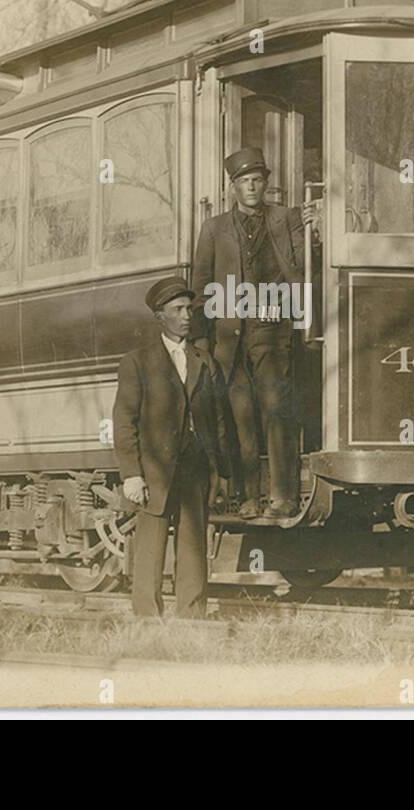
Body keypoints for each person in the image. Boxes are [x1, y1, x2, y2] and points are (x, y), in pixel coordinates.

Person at [189, 147, 316, 521]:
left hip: (273, 330)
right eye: (244, 181)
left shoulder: (286, 219)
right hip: (228, 337)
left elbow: (306, 264)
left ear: (266, 183)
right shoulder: (213, 229)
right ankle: (247, 497)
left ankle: (283, 497)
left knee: (277, 410)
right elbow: (200, 285)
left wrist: (314, 233)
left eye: (258, 180)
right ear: (232, 187)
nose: (252, 187)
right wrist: (200, 341)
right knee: (240, 416)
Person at [113, 276, 235, 618]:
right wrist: (131, 475)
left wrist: (221, 472)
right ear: (159, 317)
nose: (187, 316)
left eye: (190, 309)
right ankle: (147, 619)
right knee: (150, 548)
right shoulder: (137, 362)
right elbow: (124, 422)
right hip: (154, 471)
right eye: (178, 309)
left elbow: (219, 423)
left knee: (194, 546)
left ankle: (192, 618)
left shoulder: (204, 361)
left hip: (195, 468)